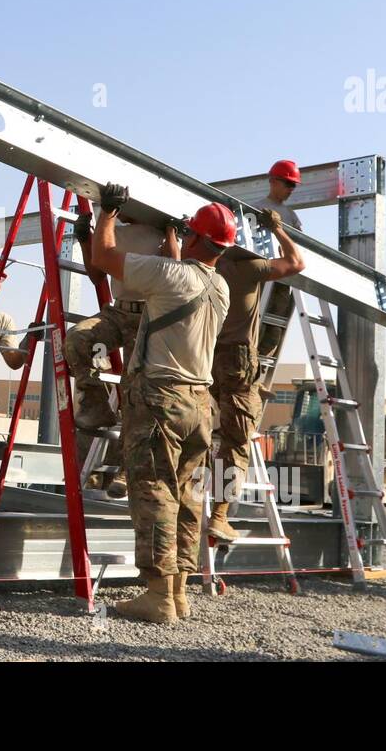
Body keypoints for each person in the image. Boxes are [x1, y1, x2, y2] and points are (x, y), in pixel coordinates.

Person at [88, 186, 232, 624]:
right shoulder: (219, 287)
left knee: (153, 491)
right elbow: (177, 261)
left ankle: (156, 596)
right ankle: (178, 593)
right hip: (200, 405)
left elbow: (105, 257)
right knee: (186, 497)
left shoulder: (172, 277)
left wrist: (108, 214)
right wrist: (175, 234)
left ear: (192, 238)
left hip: (160, 399)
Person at [207, 208, 305, 542]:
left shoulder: (214, 264)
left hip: (207, 354)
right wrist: (278, 230)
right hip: (236, 357)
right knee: (236, 439)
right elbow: (295, 262)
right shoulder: (250, 268)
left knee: (201, 433)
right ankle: (219, 515)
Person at [65, 211, 165, 497]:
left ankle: (125, 468)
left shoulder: (161, 227)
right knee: (79, 339)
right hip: (120, 310)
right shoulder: (114, 227)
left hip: (151, 314)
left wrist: (172, 233)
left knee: (137, 393)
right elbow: (97, 274)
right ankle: (95, 405)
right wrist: (87, 240)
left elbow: (177, 266)